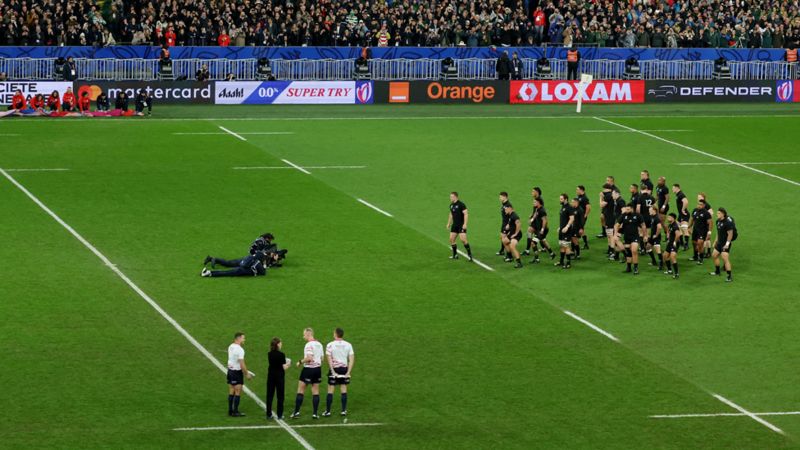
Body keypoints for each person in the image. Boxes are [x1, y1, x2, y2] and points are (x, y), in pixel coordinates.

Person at [291, 328, 324, 419]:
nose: (303, 336)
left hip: (309, 369)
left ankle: (296, 412)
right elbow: (322, 359)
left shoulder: (309, 345)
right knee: (315, 391)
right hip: (318, 369)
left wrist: (300, 362)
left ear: (308, 334)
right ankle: (315, 413)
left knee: (301, 390)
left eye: (304, 335)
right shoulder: (320, 344)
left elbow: (309, 358)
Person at [323, 328, 354, 417]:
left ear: (336, 334)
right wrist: (348, 372)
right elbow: (351, 359)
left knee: (330, 390)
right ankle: (343, 410)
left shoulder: (330, 345)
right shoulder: (348, 345)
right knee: (343, 389)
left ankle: (328, 411)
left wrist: (332, 371)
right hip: (344, 369)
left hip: (335, 369)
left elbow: (328, 359)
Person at [227, 332, 252, 417]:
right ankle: (235, 411)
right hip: (236, 372)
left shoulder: (231, 346)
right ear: (239, 338)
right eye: (243, 338)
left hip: (230, 371)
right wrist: (246, 374)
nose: (244, 339)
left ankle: (230, 410)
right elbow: (242, 363)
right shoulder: (240, 350)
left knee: (231, 390)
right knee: (237, 391)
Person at [615, 203, 645, 275]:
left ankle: (635, 268)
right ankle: (628, 268)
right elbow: (617, 225)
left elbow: (643, 225)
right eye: (626, 209)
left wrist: (645, 235)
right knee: (628, 252)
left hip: (635, 236)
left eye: (628, 209)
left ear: (632, 209)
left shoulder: (638, 215)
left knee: (634, 251)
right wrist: (615, 233)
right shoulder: (623, 215)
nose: (626, 211)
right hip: (627, 237)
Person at [267, 337, 291, 420]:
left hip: (271, 377)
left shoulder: (269, 354)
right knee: (280, 396)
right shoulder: (281, 355)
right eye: (280, 343)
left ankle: (268, 414)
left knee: (270, 395)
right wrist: (288, 363)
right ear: (277, 344)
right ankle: (280, 415)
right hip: (279, 377)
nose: (281, 344)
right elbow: (284, 367)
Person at [710, 207, 736, 282]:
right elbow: (719, 233)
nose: (717, 214)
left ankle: (729, 276)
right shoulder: (718, 221)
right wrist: (715, 241)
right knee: (714, 255)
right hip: (719, 243)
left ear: (723, 214)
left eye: (719, 213)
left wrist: (727, 244)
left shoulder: (728, 223)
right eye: (717, 213)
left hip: (725, 244)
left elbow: (730, 234)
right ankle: (717, 271)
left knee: (725, 258)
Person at [201, 250, 270, 277]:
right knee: (225, 273)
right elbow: (263, 273)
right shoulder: (258, 263)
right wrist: (264, 264)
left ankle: (208, 272)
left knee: (226, 269)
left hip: (241, 267)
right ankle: (208, 273)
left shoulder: (251, 258)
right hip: (241, 271)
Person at [446, 192, 472, 261]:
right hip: (455, 225)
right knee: (451, 239)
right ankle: (455, 255)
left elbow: (466, 214)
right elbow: (451, 214)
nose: (450, 198)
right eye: (450, 197)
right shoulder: (451, 205)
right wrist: (449, 223)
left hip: (461, 225)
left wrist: (465, 224)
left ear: (455, 197)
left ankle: (469, 255)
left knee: (463, 240)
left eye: (451, 197)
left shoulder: (461, 204)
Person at [528, 197, 555, 263]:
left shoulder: (542, 210)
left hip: (542, 230)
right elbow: (535, 214)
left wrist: (542, 230)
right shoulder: (537, 208)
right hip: (539, 229)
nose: (533, 203)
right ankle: (552, 254)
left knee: (533, 243)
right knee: (543, 241)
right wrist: (532, 219)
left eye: (535, 202)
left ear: (538, 202)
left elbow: (544, 220)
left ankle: (536, 258)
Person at [688, 199, 713, 264]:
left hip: (703, 231)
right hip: (695, 230)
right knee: (694, 243)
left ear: (704, 205)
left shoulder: (706, 213)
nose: (699, 206)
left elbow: (710, 223)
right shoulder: (695, 210)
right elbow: (692, 219)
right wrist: (689, 227)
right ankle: (695, 256)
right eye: (698, 204)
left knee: (700, 244)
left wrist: (709, 232)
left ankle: (701, 258)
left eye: (701, 205)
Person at [556, 193, 576, 269]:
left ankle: (568, 263)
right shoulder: (563, 207)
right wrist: (560, 227)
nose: (560, 200)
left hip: (567, 230)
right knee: (561, 244)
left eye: (561, 199)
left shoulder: (569, 207)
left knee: (566, 246)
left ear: (565, 199)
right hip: (562, 229)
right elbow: (563, 219)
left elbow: (572, 219)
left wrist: (567, 227)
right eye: (560, 198)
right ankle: (561, 261)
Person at [502, 203, 523, 268]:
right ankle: (510, 257)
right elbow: (510, 223)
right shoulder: (510, 215)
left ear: (509, 208)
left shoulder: (514, 215)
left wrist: (516, 233)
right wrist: (508, 227)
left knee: (512, 246)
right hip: (511, 233)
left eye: (505, 209)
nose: (505, 211)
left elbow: (519, 224)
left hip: (517, 234)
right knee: (504, 240)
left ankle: (519, 263)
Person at [663, 213, 682, 279]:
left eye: (670, 217)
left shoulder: (675, 226)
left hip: (674, 243)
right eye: (668, 217)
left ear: (673, 218)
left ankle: (676, 273)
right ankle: (669, 270)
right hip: (670, 243)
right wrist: (668, 237)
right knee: (665, 256)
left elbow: (678, 235)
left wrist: (674, 242)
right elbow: (668, 232)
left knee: (672, 257)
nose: (668, 218)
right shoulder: (670, 225)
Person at [646, 205, 664, 270]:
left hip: (656, 237)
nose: (649, 212)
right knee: (648, 247)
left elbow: (659, 227)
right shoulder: (652, 217)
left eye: (650, 210)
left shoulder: (656, 218)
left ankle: (661, 264)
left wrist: (656, 235)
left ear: (654, 210)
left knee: (657, 250)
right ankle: (654, 261)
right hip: (652, 236)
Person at [672, 183, 690, 250]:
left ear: (677, 188)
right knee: (679, 228)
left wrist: (682, 209)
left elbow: (686, 201)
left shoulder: (680, 194)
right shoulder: (678, 195)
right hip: (680, 215)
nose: (672, 190)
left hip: (684, 214)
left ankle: (686, 244)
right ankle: (682, 243)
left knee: (684, 229)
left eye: (673, 188)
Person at [575, 185, 591, 249]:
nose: (576, 191)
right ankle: (586, 244)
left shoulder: (584, 198)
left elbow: (588, 207)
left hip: (582, 217)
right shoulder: (579, 196)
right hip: (578, 216)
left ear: (581, 190)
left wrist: (585, 215)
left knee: (579, 230)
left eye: (577, 189)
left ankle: (576, 245)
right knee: (581, 230)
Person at [497, 192, 511, 256]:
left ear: (505, 197)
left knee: (504, 238)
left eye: (500, 197)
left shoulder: (508, 205)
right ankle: (502, 250)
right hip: (504, 223)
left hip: (507, 224)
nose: (499, 198)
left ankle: (509, 254)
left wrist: (508, 224)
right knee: (502, 237)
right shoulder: (504, 204)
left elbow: (511, 215)